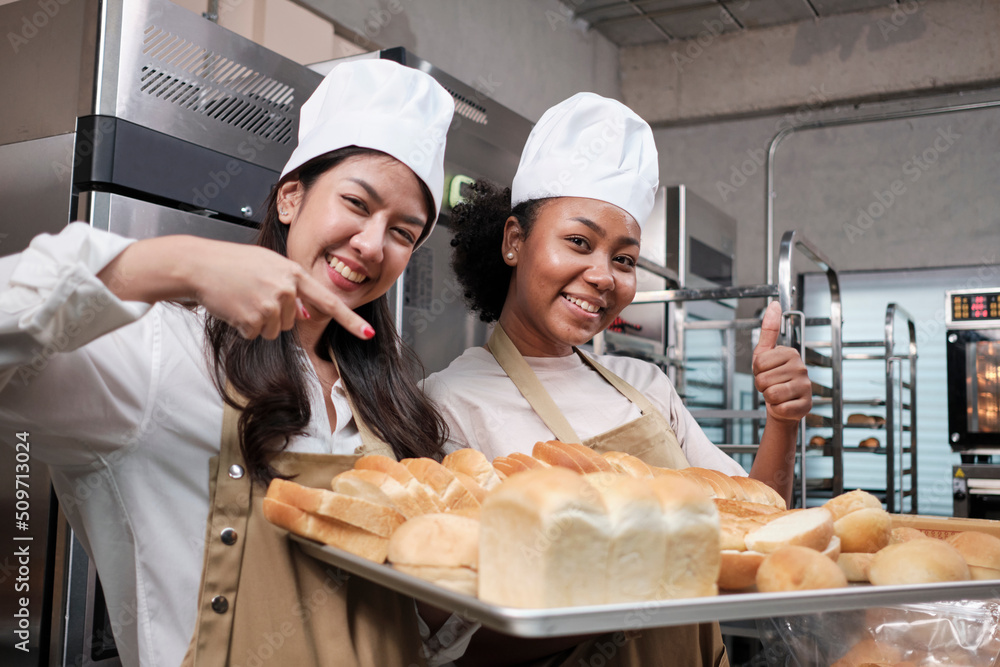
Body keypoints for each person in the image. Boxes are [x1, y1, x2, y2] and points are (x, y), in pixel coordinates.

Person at [0, 60, 465, 667]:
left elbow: (424, 637)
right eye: (356, 202)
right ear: (291, 196)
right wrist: (175, 264)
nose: (373, 245)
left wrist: (441, 592)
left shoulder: (391, 406)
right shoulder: (162, 355)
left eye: (404, 232)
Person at [422, 92, 812, 666]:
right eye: (578, 243)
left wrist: (783, 421)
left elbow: (759, 525)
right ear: (513, 241)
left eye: (624, 259)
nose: (603, 276)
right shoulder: (452, 402)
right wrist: (648, 583)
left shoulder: (644, 384)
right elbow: (459, 638)